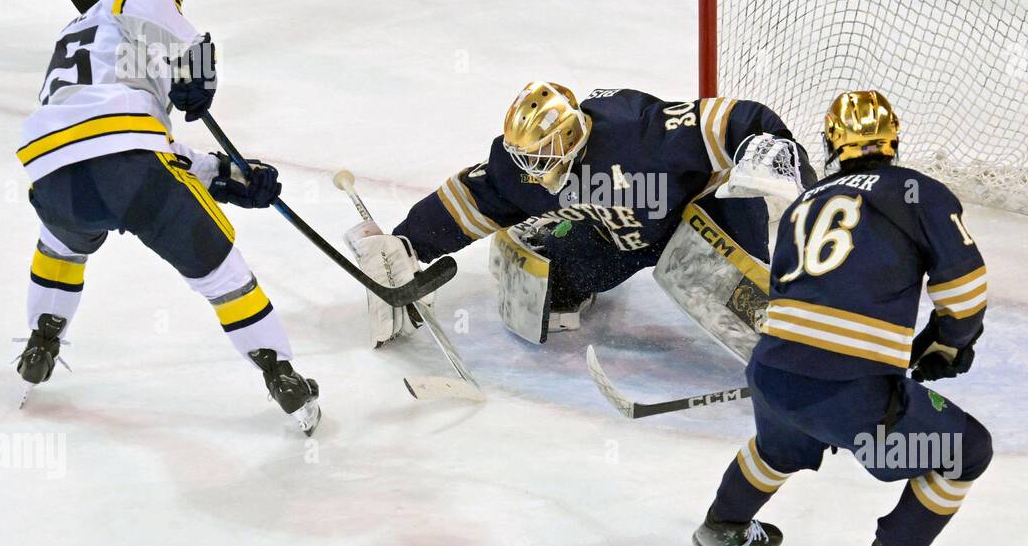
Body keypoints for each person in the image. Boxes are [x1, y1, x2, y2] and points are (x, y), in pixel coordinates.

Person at [686, 90, 993, 546]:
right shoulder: (919, 191)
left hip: (771, 370)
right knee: (967, 449)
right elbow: (963, 290)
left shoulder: (804, 202)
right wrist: (950, 342)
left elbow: (787, 291)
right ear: (892, 140)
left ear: (832, 144)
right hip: (849, 390)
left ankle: (722, 527)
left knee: (778, 446)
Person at [13, 0, 321, 435]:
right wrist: (197, 68)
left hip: (51, 171)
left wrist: (224, 175)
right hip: (129, 166)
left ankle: (41, 343)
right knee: (222, 272)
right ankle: (279, 372)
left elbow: (134, 138)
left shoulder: (86, 40)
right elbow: (160, 16)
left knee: (60, 247)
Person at [349, 82, 815, 353]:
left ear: (572, 134)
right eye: (525, 155)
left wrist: (779, 165)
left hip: (703, 208)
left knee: (739, 298)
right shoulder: (524, 167)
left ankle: (803, 327)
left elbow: (739, 119)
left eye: (544, 152)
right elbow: (472, 198)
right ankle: (561, 253)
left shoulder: (638, 133)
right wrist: (408, 244)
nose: (532, 166)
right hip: (629, 233)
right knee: (558, 277)